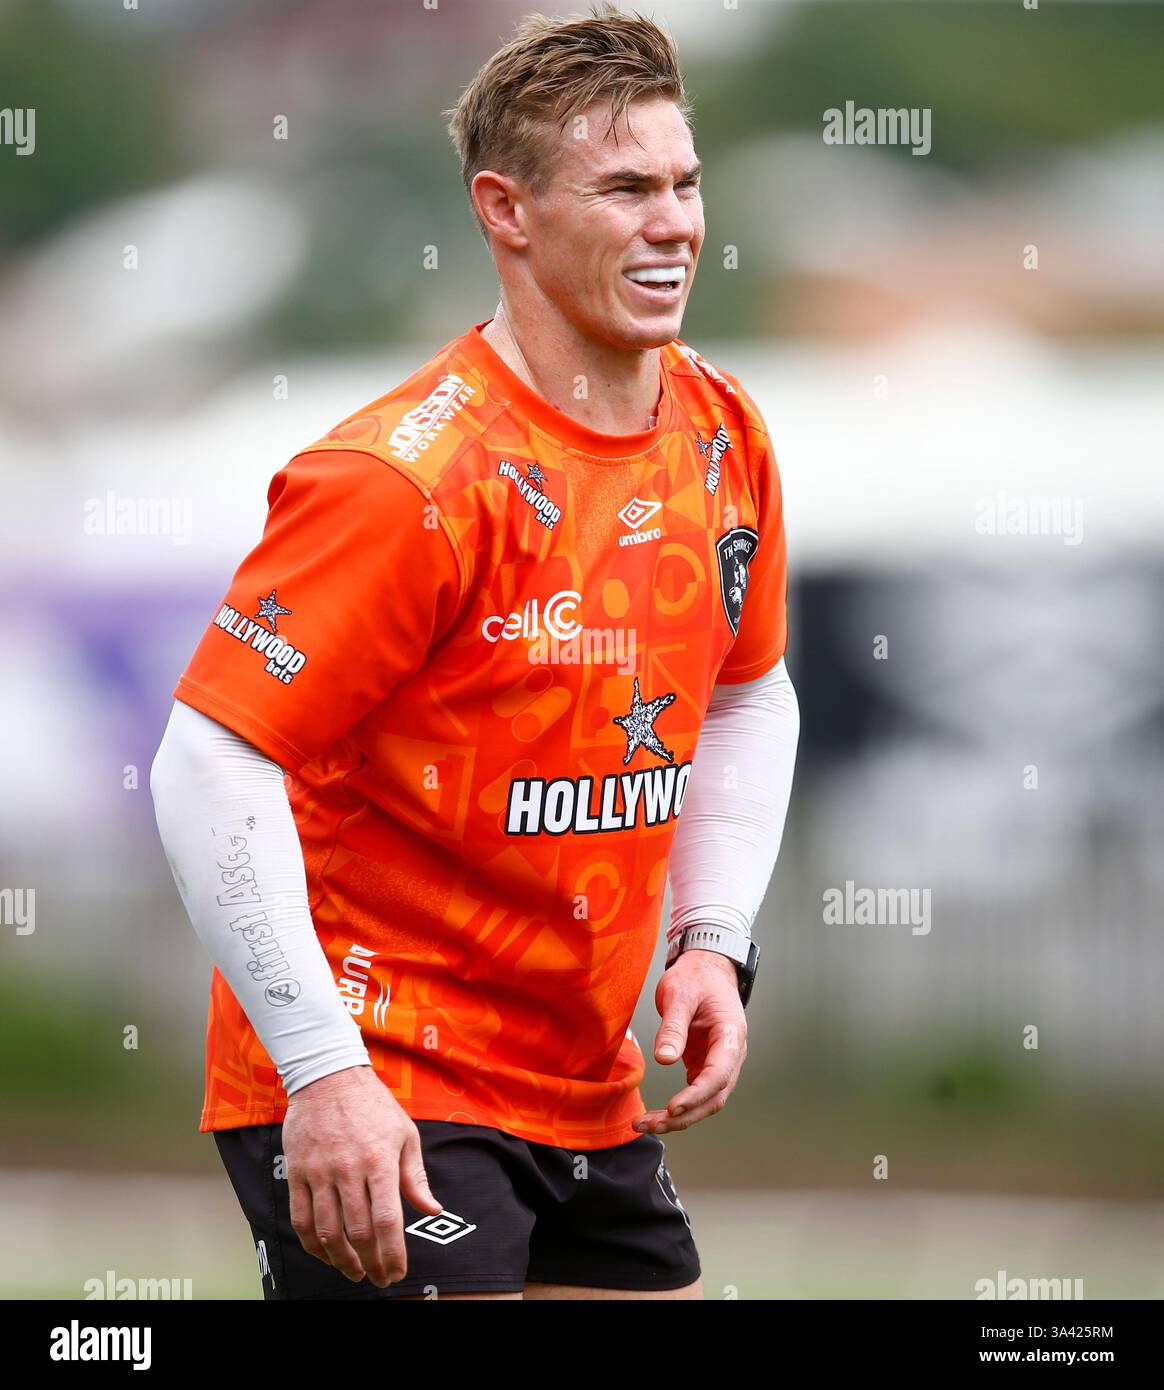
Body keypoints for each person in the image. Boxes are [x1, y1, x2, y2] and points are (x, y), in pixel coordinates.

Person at [150, 1, 799, 1302]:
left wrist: (713, 939)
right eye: (624, 189)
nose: (673, 222)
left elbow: (747, 694)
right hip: (377, 1067)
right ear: (507, 210)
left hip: (584, 1081)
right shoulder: (406, 479)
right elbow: (209, 760)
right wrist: (322, 1073)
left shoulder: (724, 434)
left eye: (684, 183)